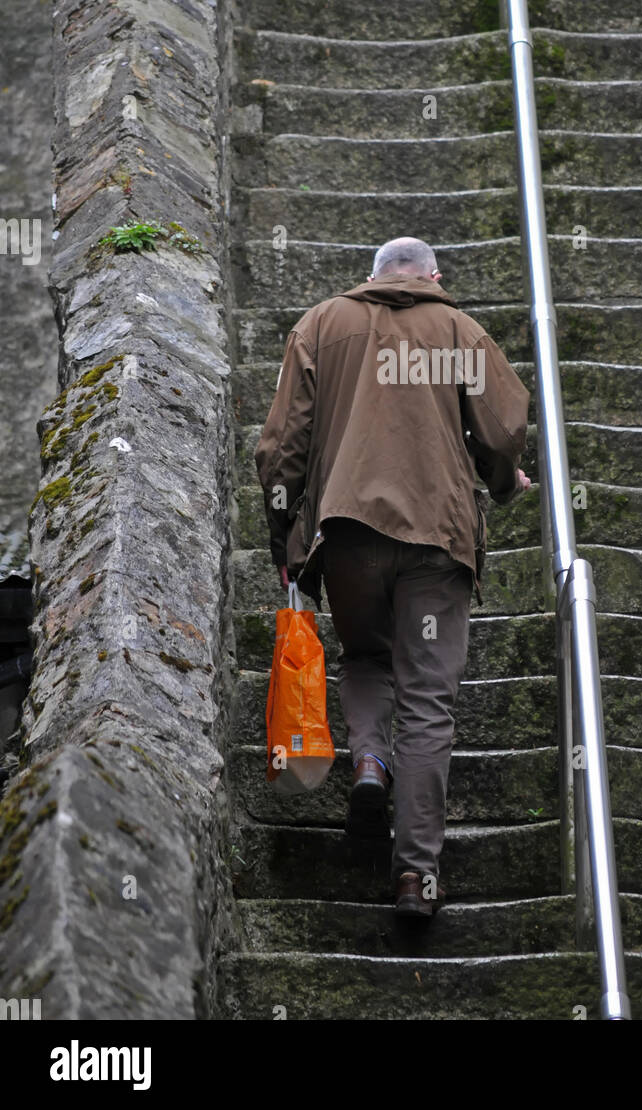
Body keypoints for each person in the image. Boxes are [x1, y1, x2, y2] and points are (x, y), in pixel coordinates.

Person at [254, 236, 530, 916]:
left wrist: (282, 534)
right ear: (433, 277)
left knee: (367, 657)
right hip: (437, 539)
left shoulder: (322, 323)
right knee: (429, 701)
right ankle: (414, 876)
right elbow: (499, 432)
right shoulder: (458, 329)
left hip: (346, 534)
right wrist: (500, 483)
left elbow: (282, 443)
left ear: (370, 276)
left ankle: (370, 763)